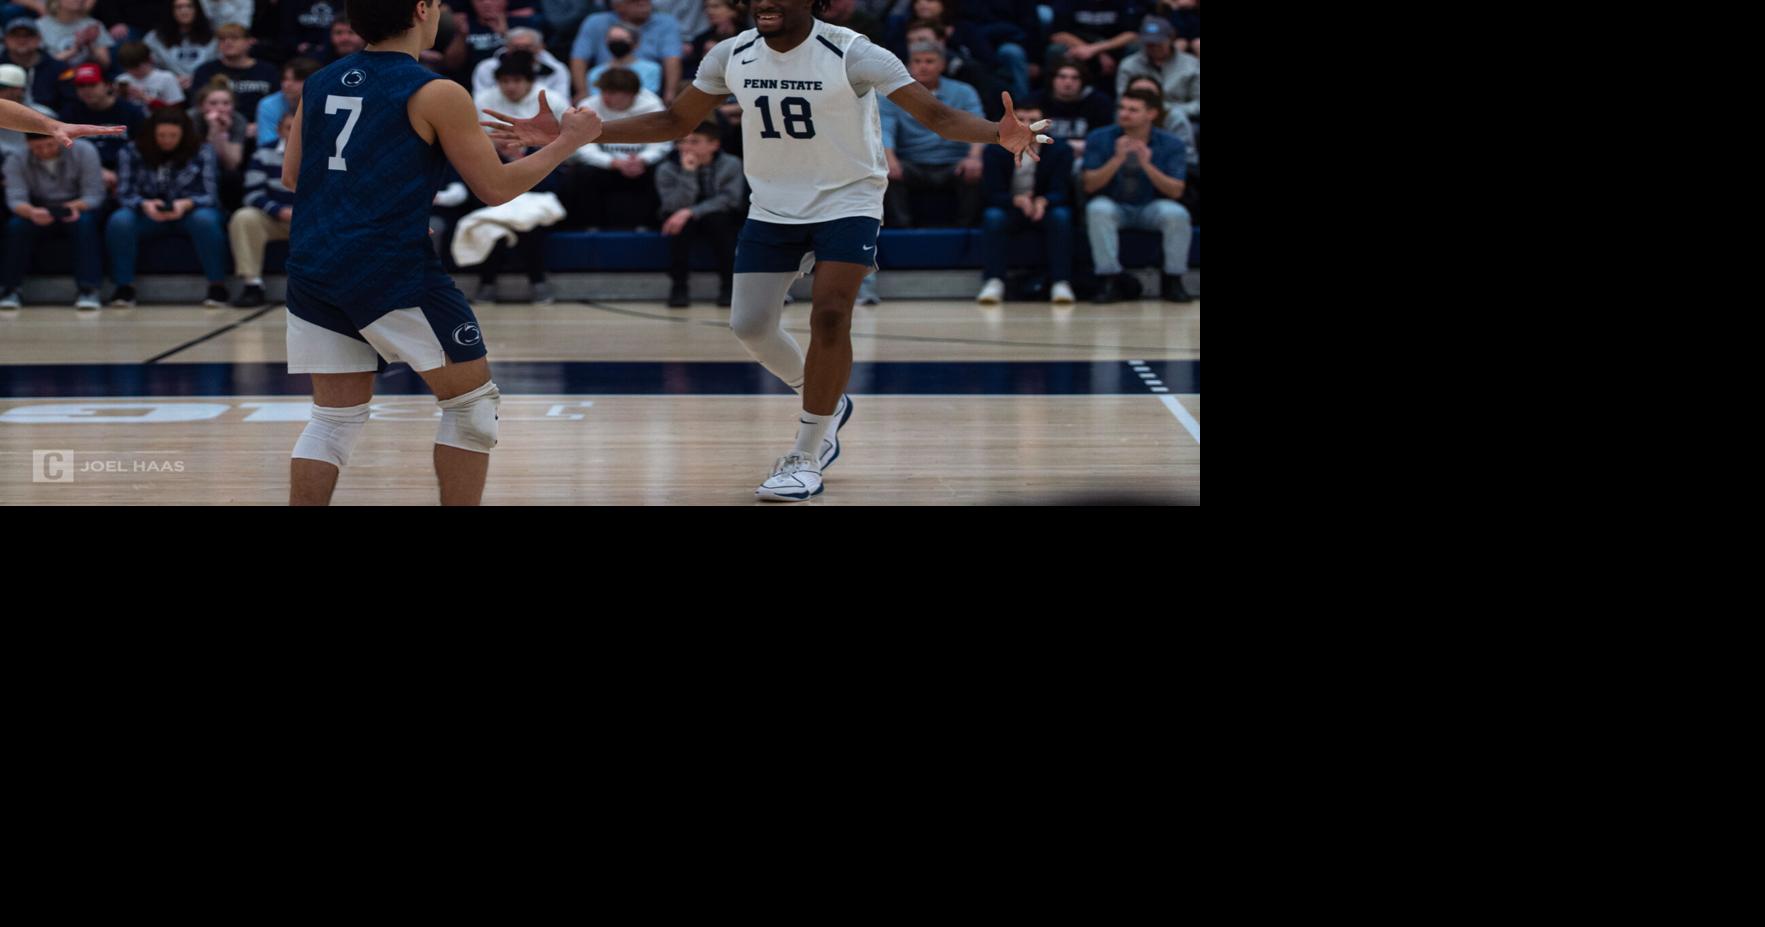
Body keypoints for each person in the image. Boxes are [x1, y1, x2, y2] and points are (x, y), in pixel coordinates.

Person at [485, 0, 1046, 501]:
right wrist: (573, 135)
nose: (765, 2)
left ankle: (806, 449)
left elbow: (938, 117)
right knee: (750, 325)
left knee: (830, 313)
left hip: (848, 198)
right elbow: (675, 121)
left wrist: (1000, 134)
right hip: (772, 204)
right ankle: (825, 399)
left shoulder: (855, 53)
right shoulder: (731, 54)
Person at [281, 0, 598, 506]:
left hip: (314, 260)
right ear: (422, 10)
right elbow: (495, 188)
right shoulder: (437, 90)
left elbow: (294, 176)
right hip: (388, 264)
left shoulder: (320, 81)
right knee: (472, 406)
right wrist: (568, 141)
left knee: (333, 419)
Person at [104, 106, 229, 306]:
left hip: (190, 211)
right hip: (147, 212)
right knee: (120, 221)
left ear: (184, 134)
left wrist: (186, 204)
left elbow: (210, 195)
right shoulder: (131, 151)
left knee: (206, 220)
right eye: (161, 135)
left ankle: (217, 286)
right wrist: (144, 204)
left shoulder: (203, 150)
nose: (167, 140)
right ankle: (123, 288)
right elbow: (124, 193)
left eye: (173, 135)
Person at [1081, 87, 1192, 304]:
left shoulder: (1172, 143)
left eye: (1133, 110)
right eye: (1122, 108)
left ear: (1151, 114)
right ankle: (1109, 280)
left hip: (1151, 205)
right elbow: (1089, 185)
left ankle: (1173, 279)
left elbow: (1176, 190)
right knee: (1098, 209)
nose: (1124, 113)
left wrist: (1146, 164)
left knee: (1177, 215)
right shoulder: (1099, 138)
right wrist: (1117, 159)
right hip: (1114, 204)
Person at [975, 95, 1071, 305]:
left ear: (1045, 123)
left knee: (1061, 216)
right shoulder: (995, 149)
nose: (1026, 126)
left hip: (1043, 206)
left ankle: (1060, 281)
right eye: (1021, 119)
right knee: (993, 217)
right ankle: (994, 281)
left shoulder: (1060, 149)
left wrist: (1044, 201)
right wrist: (1015, 200)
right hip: (1009, 206)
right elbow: (991, 193)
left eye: (1033, 120)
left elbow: (1062, 190)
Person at [1, 133, 105, 309]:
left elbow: (94, 195)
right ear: (28, 144)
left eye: (49, 145)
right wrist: (31, 212)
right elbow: (15, 199)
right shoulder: (16, 158)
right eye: (37, 147)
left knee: (84, 224)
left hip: (77, 207)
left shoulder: (84, 150)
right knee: (16, 227)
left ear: (58, 141)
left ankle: (89, 289)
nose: (44, 151)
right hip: (37, 209)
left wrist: (73, 207)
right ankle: (10, 289)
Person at [655, 119, 741, 307]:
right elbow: (673, 204)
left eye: (694, 141)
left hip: (718, 215)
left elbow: (730, 199)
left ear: (714, 145)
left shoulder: (732, 164)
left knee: (719, 222)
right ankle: (679, 288)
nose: (685, 147)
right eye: (681, 142)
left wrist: (691, 211)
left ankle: (729, 287)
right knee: (679, 226)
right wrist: (688, 173)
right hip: (679, 216)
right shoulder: (666, 168)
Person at [225, 107, 292, 307]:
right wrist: (277, 210)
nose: (296, 132)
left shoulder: (323, 154)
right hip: (276, 217)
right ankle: (252, 285)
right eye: (290, 128)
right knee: (244, 217)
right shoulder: (263, 153)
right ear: (280, 131)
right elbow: (253, 193)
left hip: (310, 220)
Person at [145, 0, 216, 90]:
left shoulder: (212, 36)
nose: (184, 11)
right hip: (167, 88)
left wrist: (197, 78)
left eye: (189, 6)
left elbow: (217, 65)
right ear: (171, 11)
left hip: (205, 87)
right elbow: (148, 66)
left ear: (197, 10)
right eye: (179, 7)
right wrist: (171, 80)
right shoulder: (155, 38)